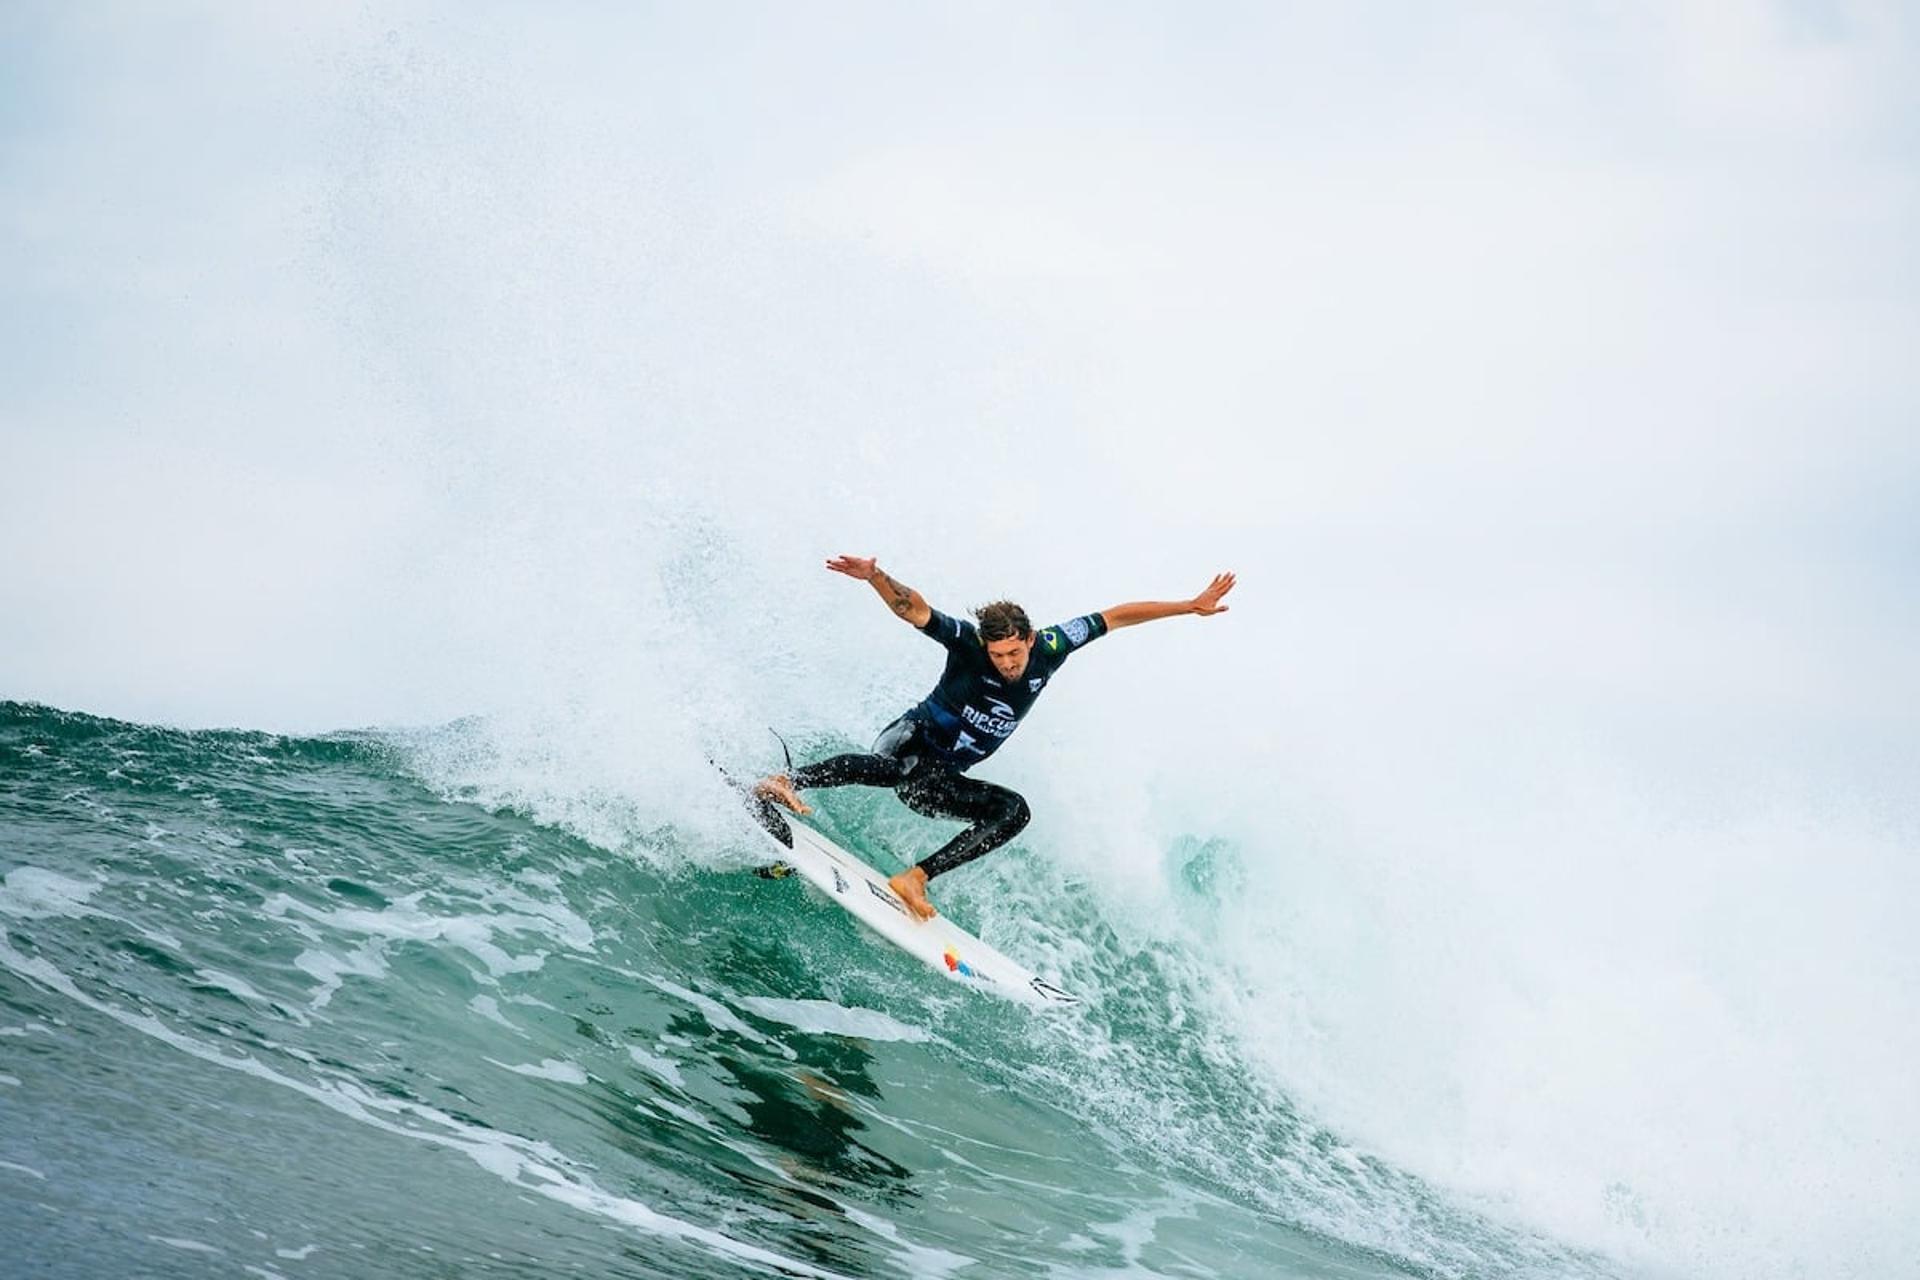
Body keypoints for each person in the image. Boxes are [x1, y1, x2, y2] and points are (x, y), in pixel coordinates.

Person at [754, 554, 1235, 921]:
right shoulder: (968, 643)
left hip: (940, 777)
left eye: (1013, 654)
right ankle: (786, 781)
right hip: (910, 740)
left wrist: (1189, 606)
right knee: (900, 767)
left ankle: (915, 879)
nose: (1006, 663)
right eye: (997, 654)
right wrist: (876, 577)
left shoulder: (1053, 645)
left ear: (1030, 639)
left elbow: (1116, 615)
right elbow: (913, 609)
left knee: (1014, 812)